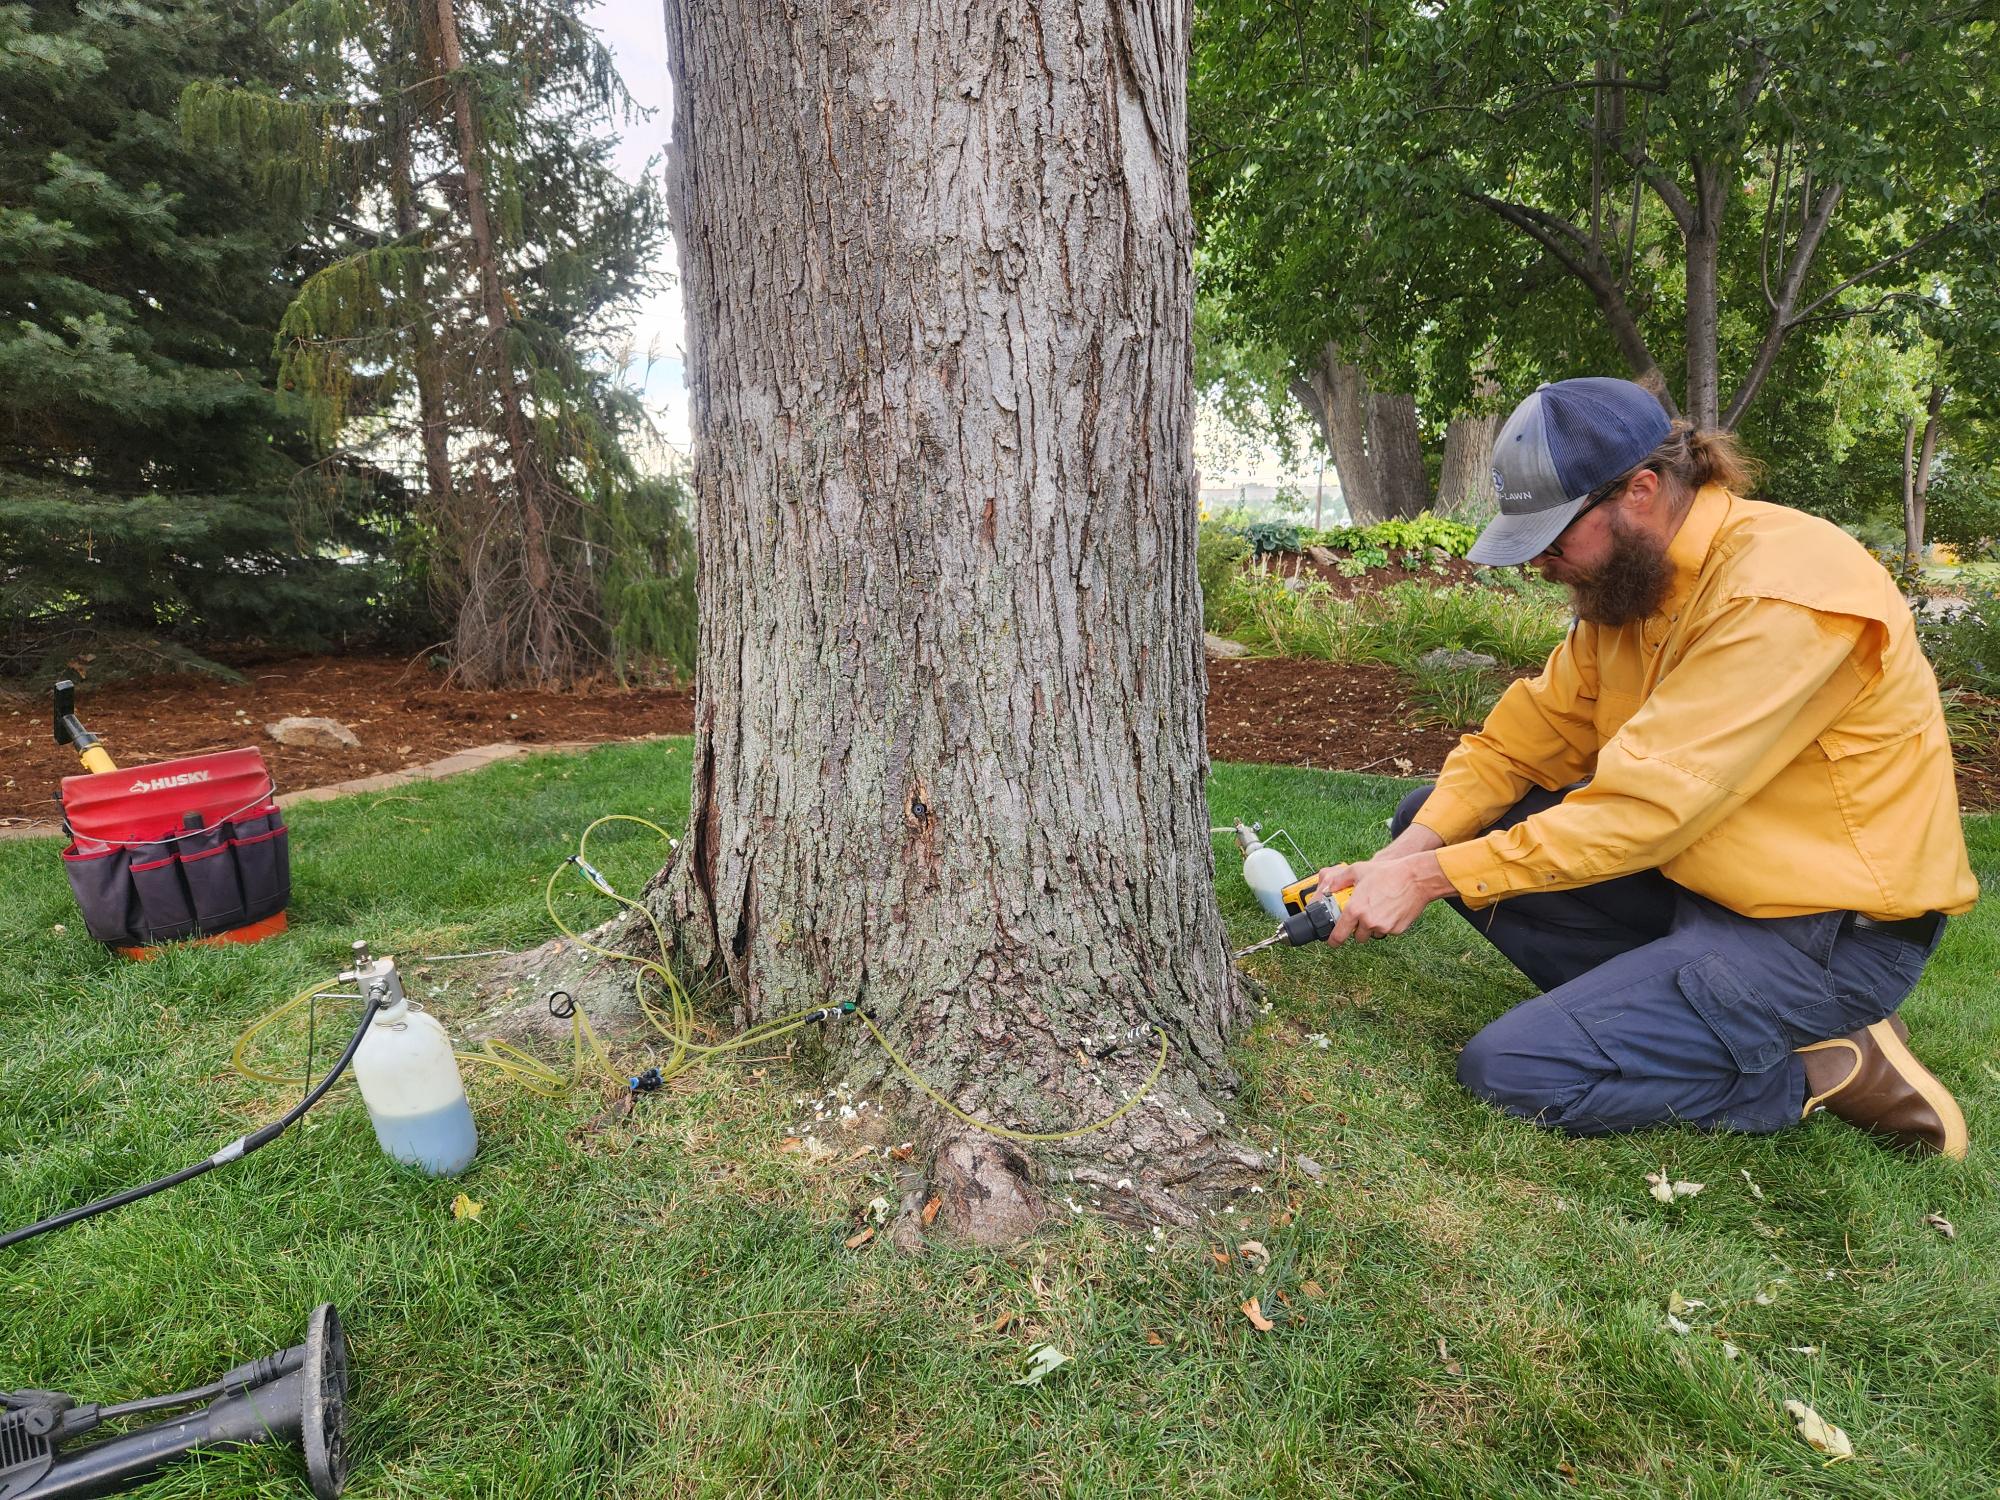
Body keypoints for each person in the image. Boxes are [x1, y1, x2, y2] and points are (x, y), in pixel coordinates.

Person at [1311, 376, 1978, 1156]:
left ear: (1641, 489)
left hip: (1826, 937)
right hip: (1701, 884)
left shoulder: (1784, 592)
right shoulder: (1630, 590)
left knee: (1513, 1071)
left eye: (1555, 539)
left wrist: (1430, 880)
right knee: (1432, 819)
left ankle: (1820, 1065)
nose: (1543, 564)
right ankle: (1679, 1010)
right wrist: (1403, 856)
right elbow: (1520, 743)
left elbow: (1642, 812)